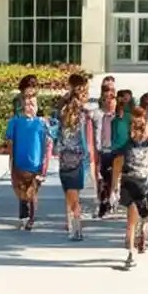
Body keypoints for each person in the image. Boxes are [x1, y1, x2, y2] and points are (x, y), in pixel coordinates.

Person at [115, 107, 148, 268]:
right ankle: (132, 251)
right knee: (133, 219)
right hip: (133, 182)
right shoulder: (128, 143)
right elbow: (118, 161)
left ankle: (140, 240)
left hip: (146, 182)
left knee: (144, 216)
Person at [5, 95, 51, 231]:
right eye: (27, 104)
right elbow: (9, 140)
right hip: (20, 162)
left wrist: (44, 163)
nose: (30, 107)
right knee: (21, 191)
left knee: (32, 192)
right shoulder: (15, 122)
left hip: (36, 164)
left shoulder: (41, 123)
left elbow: (49, 139)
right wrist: (11, 160)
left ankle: (30, 218)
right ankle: (24, 216)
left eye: (33, 105)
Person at [54, 95, 94, 240]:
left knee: (71, 196)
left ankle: (75, 228)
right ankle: (76, 227)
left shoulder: (61, 122)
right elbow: (85, 143)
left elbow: (56, 141)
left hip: (66, 162)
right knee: (75, 197)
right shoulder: (81, 121)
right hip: (76, 161)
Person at [91, 88, 119, 218]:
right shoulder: (96, 115)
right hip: (101, 150)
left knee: (114, 177)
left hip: (116, 151)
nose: (109, 101)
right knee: (102, 178)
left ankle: (112, 199)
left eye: (112, 98)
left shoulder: (120, 116)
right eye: (106, 98)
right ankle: (103, 201)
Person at [109, 88, 134, 208]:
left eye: (128, 98)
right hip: (115, 146)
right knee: (116, 169)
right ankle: (114, 192)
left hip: (128, 146)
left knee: (124, 171)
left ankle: (120, 194)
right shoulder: (113, 115)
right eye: (124, 98)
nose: (126, 100)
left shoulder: (131, 115)